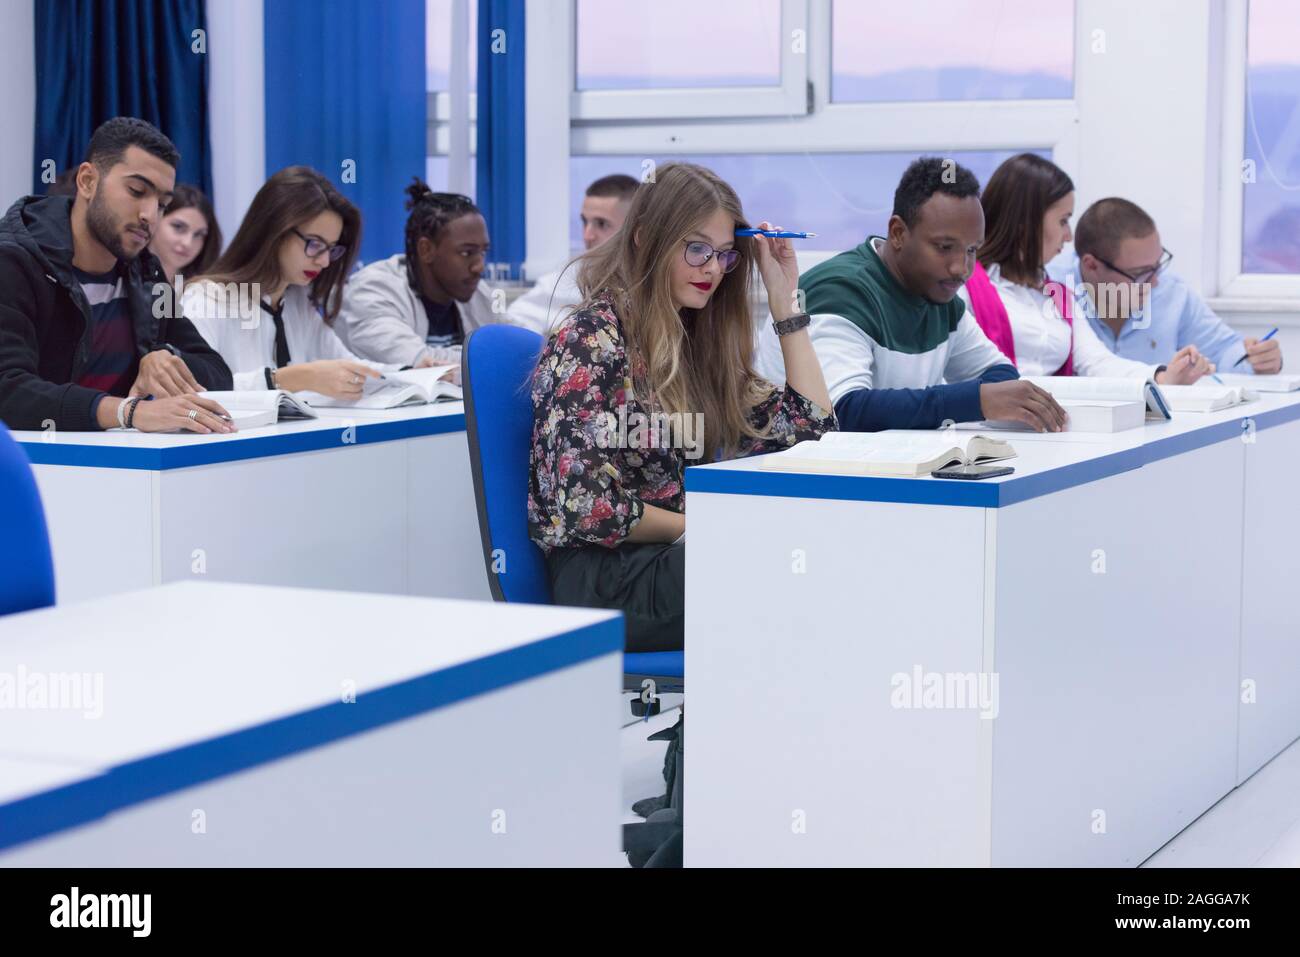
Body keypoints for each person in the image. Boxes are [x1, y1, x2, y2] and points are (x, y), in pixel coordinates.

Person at [529, 162, 836, 654]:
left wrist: (786, 306)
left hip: (671, 558)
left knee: (814, 549)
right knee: (788, 564)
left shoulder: (692, 338)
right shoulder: (592, 339)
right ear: (646, 239)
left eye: (725, 255)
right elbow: (583, 506)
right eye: (697, 249)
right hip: (605, 579)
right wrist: (703, 524)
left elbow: (811, 435)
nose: (713, 269)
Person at [757, 156, 1068, 433]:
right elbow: (843, 412)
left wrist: (977, 399)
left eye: (972, 250)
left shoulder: (940, 297)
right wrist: (972, 401)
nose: (962, 268)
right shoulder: (840, 292)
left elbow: (1000, 375)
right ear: (898, 233)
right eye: (944, 247)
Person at [0, 116, 233, 433]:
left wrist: (163, 359)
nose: (149, 215)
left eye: (162, 204)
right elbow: (8, 391)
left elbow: (218, 372)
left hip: (121, 467)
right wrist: (127, 411)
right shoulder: (14, 261)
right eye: (137, 191)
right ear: (87, 181)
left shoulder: (145, 273)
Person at [965, 154, 1212, 383]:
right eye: (1063, 221)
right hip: (990, 429)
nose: (1069, 236)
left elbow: (1096, 363)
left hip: (1054, 427)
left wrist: (1162, 377)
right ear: (1026, 223)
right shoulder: (966, 289)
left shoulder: (1058, 296)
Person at [183, 166, 393, 399]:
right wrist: (290, 379)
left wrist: (420, 375)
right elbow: (194, 391)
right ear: (274, 231)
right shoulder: (205, 299)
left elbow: (351, 366)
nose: (324, 261)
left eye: (331, 249)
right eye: (314, 243)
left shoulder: (297, 303)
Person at [1052, 197, 1283, 375]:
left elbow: (1224, 352)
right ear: (1091, 266)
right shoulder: (1049, 292)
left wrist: (1258, 358)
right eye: (1140, 273)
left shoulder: (1172, 294)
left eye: (1157, 264)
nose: (1155, 282)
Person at [336, 181, 521, 372]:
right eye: (467, 253)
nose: (479, 266)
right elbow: (422, 364)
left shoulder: (476, 291)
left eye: (483, 252)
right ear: (426, 250)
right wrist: (498, 357)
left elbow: (521, 346)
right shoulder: (372, 290)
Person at [505, 173, 638, 334]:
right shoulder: (569, 279)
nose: (587, 235)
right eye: (584, 222)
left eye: (601, 224)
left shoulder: (658, 277)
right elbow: (512, 324)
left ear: (634, 230)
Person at [150, 184, 222, 284]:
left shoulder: (205, 291)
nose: (187, 243)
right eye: (178, 227)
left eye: (198, 235)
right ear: (155, 219)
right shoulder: (123, 279)